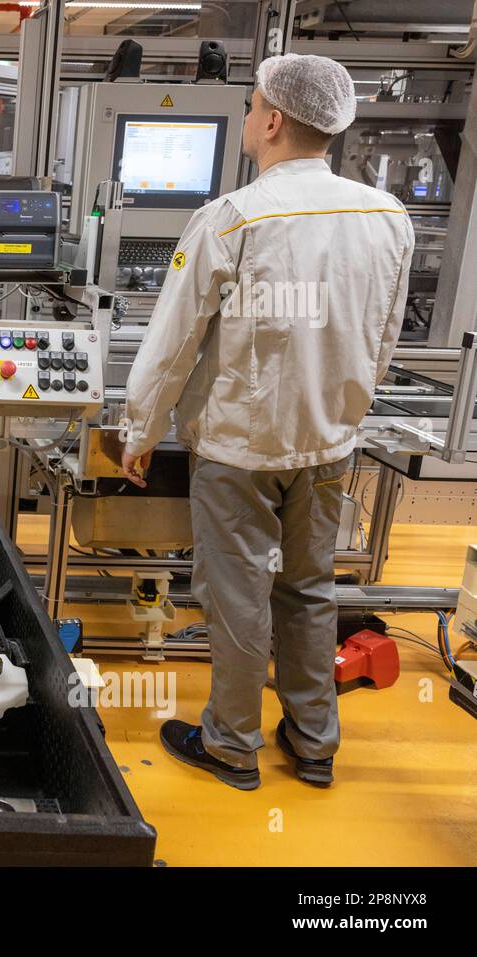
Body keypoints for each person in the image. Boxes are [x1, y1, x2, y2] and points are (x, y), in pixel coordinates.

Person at [119, 53, 415, 789]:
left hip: (240, 450)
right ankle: (314, 743)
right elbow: (382, 340)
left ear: (274, 120)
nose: (248, 118)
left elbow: (173, 342)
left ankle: (231, 745)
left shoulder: (233, 217)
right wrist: (344, 408)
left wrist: (140, 429)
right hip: (328, 444)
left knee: (238, 597)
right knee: (311, 589)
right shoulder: (386, 217)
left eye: (252, 106)